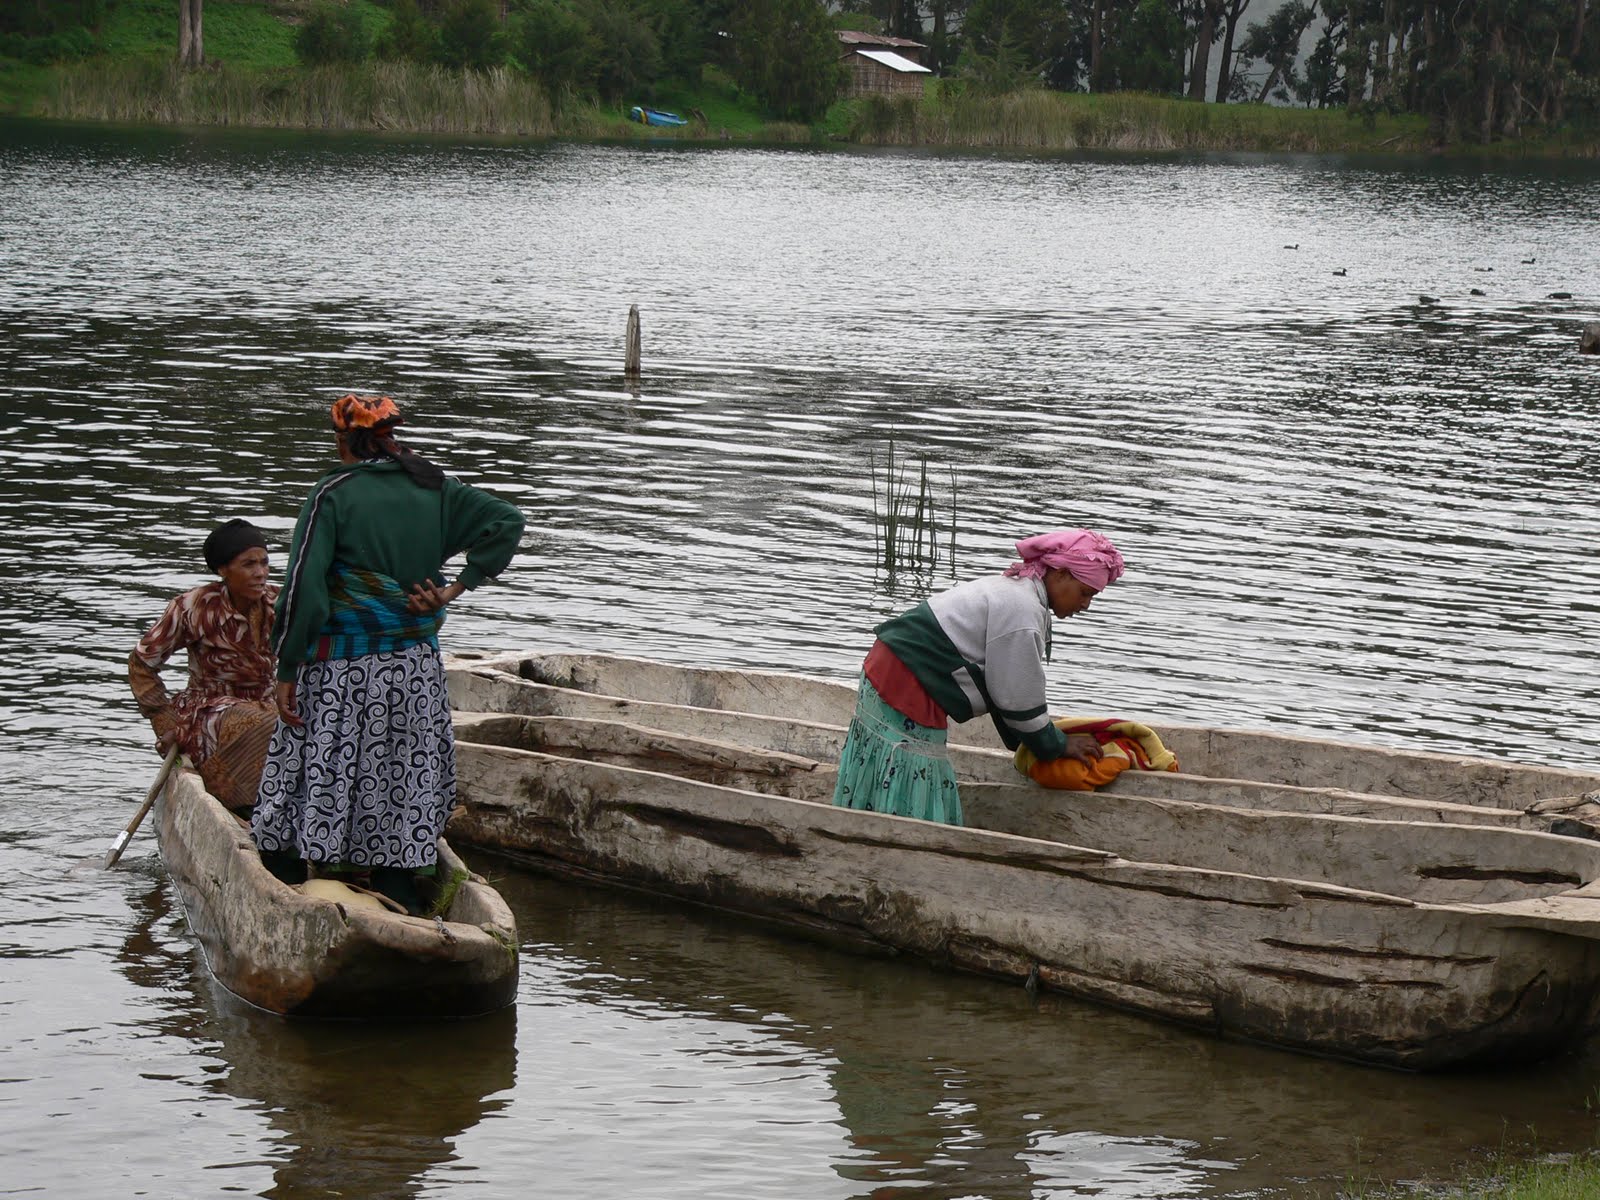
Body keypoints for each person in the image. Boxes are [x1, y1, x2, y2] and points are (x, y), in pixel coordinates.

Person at [251, 393, 524, 912]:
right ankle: (400, 879)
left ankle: (317, 866)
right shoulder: (436, 486)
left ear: (342, 440)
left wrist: (287, 666)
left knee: (329, 760)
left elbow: (304, 590)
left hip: (343, 664)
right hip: (416, 664)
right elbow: (507, 521)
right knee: (402, 763)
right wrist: (454, 588)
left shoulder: (332, 493)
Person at [831, 528, 1126, 827]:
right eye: (1085, 592)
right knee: (914, 769)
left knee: (890, 763)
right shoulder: (1022, 610)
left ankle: (868, 827)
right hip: (904, 677)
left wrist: (1031, 740)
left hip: (889, 664)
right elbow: (1016, 699)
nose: (1086, 604)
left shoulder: (1018, 591)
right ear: (1061, 574)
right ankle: (897, 839)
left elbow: (1004, 689)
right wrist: (1055, 745)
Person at [128, 519, 279, 813]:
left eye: (264, 563)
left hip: (267, 702)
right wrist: (165, 723)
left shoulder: (281, 602)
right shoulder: (193, 607)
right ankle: (247, 807)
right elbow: (142, 663)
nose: (260, 573)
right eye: (248, 564)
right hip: (208, 709)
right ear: (223, 570)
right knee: (260, 722)